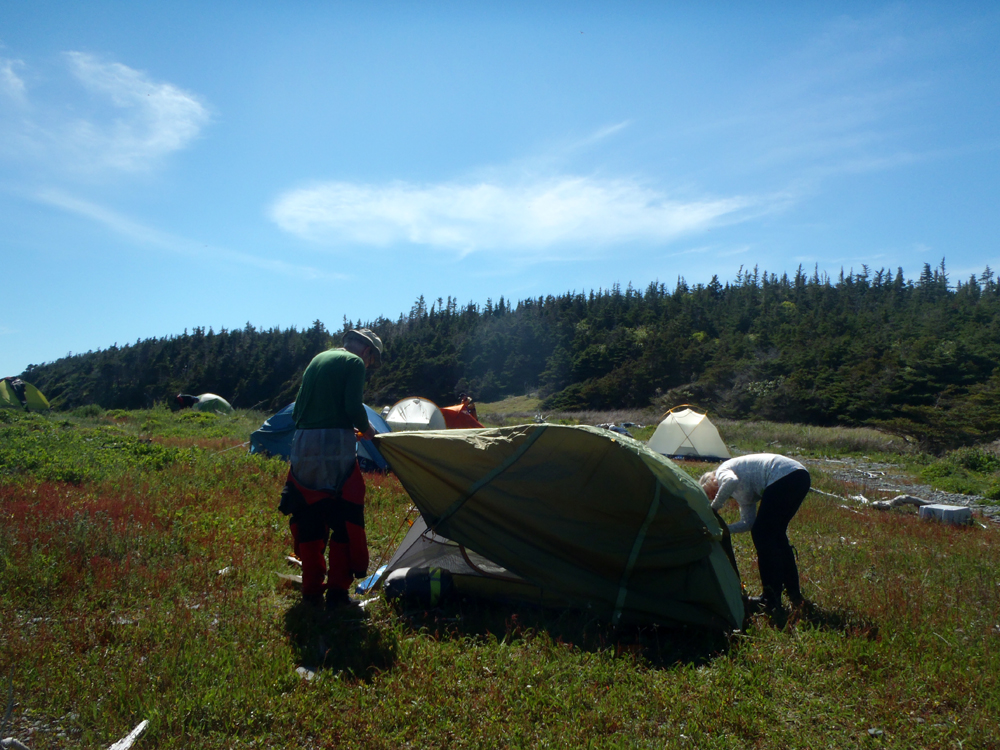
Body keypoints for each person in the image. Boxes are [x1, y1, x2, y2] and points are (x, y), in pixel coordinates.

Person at [279, 328, 382, 610]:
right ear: (367, 351)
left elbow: (298, 409)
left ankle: (311, 591)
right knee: (343, 514)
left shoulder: (318, 358)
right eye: (371, 361)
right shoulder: (355, 363)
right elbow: (352, 406)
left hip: (301, 443)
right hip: (333, 444)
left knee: (309, 513)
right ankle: (337, 593)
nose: (369, 366)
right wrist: (367, 429)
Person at [699, 453, 811, 615]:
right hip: (798, 477)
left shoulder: (722, 471)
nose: (712, 497)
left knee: (763, 535)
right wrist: (724, 530)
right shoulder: (741, 493)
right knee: (775, 536)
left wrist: (713, 509)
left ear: (711, 481)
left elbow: (730, 481)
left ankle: (770, 599)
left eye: (709, 493)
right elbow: (748, 523)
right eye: (710, 497)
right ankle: (794, 595)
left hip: (786, 475)